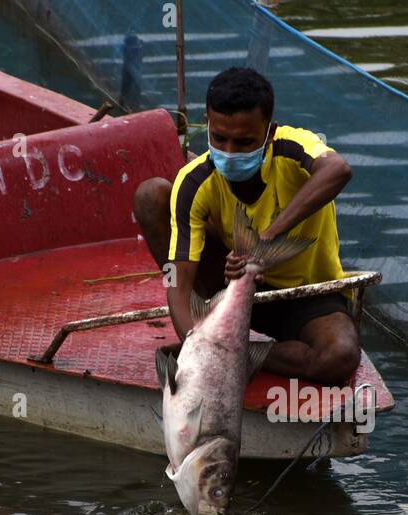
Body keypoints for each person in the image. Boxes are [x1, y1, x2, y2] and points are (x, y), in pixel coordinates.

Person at [133, 67, 360, 385]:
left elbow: (338, 170)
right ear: (209, 126)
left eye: (243, 142)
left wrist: (266, 240)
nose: (228, 152)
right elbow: (179, 283)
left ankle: (242, 351)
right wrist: (192, 344)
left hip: (307, 294)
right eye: (219, 138)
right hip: (230, 290)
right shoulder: (195, 180)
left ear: (270, 133)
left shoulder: (294, 147)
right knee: (151, 195)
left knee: (340, 356)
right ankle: (211, 338)